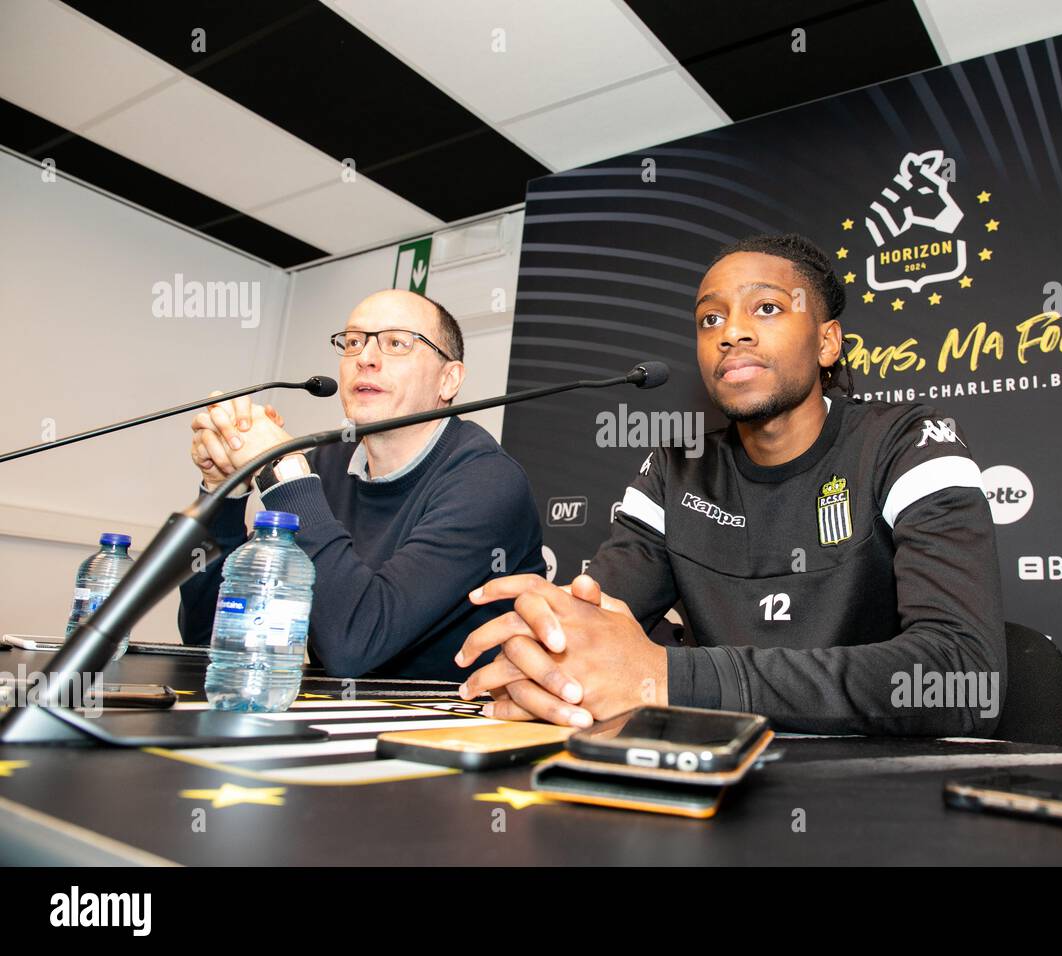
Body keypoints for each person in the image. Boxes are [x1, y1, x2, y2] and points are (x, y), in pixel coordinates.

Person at [455, 233, 1005, 735]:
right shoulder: (678, 467)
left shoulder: (910, 443)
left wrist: (671, 677)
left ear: (827, 342)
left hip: (875, 803)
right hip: (710, 784)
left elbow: (965, 674)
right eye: (709, 320)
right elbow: (594, 629)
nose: (731, 333)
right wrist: (552, 658)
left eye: (766, 308)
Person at [180, 289, 544, 680]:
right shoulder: (324, 464)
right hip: (332, 721)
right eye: (353, 342)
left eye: (396, 343)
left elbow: (356, 647)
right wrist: (225, 489)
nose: (365, 359)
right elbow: (209, 635)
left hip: (449, 727)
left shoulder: (487, 480)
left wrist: (283, 470)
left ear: (448, 379)